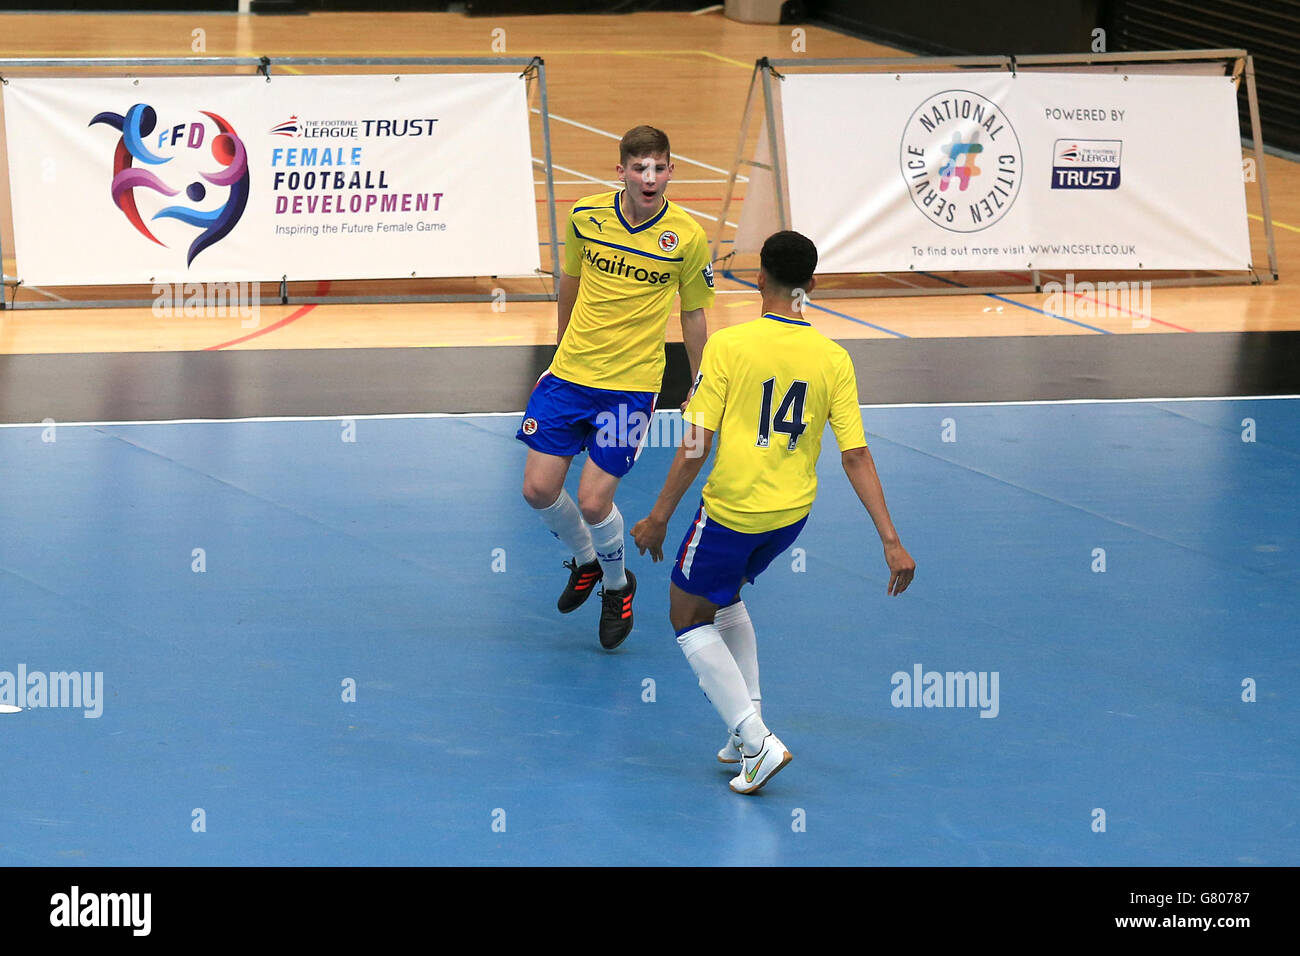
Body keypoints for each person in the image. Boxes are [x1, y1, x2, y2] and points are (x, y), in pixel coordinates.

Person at [631, 230, 915, 793]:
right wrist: (890, 540)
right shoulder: (834, 357)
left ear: (758, 277)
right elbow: (855, 454)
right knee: (727, 596)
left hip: (734, 510)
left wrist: (659, 514)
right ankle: (745, 731)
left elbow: (695, 445)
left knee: (685, 617)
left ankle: (757, 742)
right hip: (790, 517)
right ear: (811, 286)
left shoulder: (730, 346)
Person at [518, 126, 713, 650]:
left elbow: (693, 314)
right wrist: (557, 354)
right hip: (571, 375)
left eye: (659, 167)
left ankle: (616, 584)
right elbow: (570, 285)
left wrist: (701, 384)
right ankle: (586, 560)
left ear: (671, 171)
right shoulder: (586, 217)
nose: (649, 178)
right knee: (537, 489)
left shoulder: (688, 237)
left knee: (593, 499)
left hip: (630, 387)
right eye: (639, 167)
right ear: (621, 171)